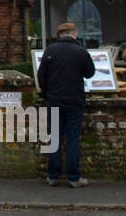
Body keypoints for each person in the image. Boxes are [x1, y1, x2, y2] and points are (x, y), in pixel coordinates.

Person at [36, 21, 96, 188]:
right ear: (75, 34)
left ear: (59, 35)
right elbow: (90, 73)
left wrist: (47, 93)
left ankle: (53, 176)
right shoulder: (81, 52)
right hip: (74, 100)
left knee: (54, 138)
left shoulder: (50, 51)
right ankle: (74, 177)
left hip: (54, 100)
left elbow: (41, 76)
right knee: (72, 139)